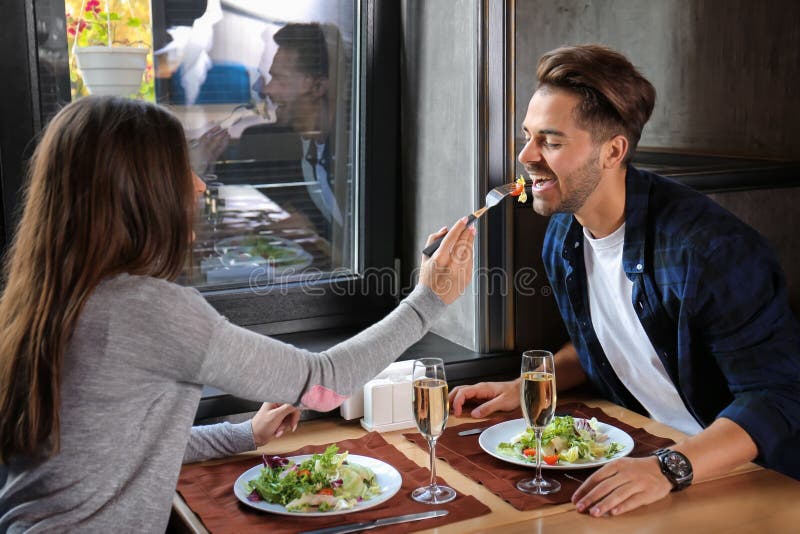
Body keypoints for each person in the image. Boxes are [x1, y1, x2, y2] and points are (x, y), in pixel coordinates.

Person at [0, 95, 476, 532]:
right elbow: (325, 384)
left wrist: (244, 434)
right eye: (179, 169)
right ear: (138, 193)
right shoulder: (146, 309)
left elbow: (124, 446)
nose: (198, 183)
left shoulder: (49, 296)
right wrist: (428, 300)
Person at [449, 44, 800, 516]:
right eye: (527, 136)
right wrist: (532, 383)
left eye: (550, 141)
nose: (525, 156)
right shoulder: (563, 234)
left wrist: (667, 468)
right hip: (654, 452)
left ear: (613, 150)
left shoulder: (710, 251)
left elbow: (778, 398)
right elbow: (607, 340)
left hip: (750, 474)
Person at [240, 22, 344, 238]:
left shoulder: (350, 155)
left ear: (317, 87)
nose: (267, 89)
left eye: (279, 79)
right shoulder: (308, 147)